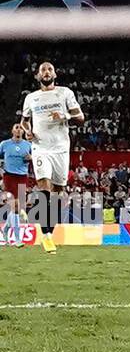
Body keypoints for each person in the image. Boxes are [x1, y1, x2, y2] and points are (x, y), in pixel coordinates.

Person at [21, 62, 85, 254]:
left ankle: (50, 233)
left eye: (49, 69)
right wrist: (28, 132)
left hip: (60, 149)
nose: (46, 72)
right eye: (43, 70)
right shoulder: (31, 98)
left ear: (55, 74)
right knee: (43, 186)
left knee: (58, 193)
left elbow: (80, 117)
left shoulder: (65, 93)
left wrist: (63, 115)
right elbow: (24, 122)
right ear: (37, 76)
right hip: (40, 148)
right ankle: (45, 236)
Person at [1, 124, 32, 246]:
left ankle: (6, 229)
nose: (19, 129)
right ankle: (18, 239)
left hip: (22, 177)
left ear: (23, 132)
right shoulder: (4, 144)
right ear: (12, 130)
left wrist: (31, 157)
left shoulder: (28, 145)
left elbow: (36, 158)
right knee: (15, 205)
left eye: (20, 128)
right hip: (9, 176)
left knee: (17, 208)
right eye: (16, 127)